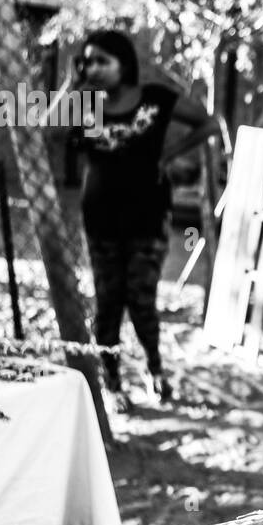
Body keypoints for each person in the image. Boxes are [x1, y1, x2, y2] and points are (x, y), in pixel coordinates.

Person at [57, 30, 221, 411]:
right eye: (88, 61)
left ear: (123, 63)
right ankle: (112, 382)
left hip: (148, 218)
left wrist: (169, 155)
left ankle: (154, 370)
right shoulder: (87, 104)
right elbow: (47, 127)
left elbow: (210, 124)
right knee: (108, 302)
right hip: (100, 219)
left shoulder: (156, 99)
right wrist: (70, 82)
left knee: (141, 299)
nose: (93, 68)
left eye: (102, 61)